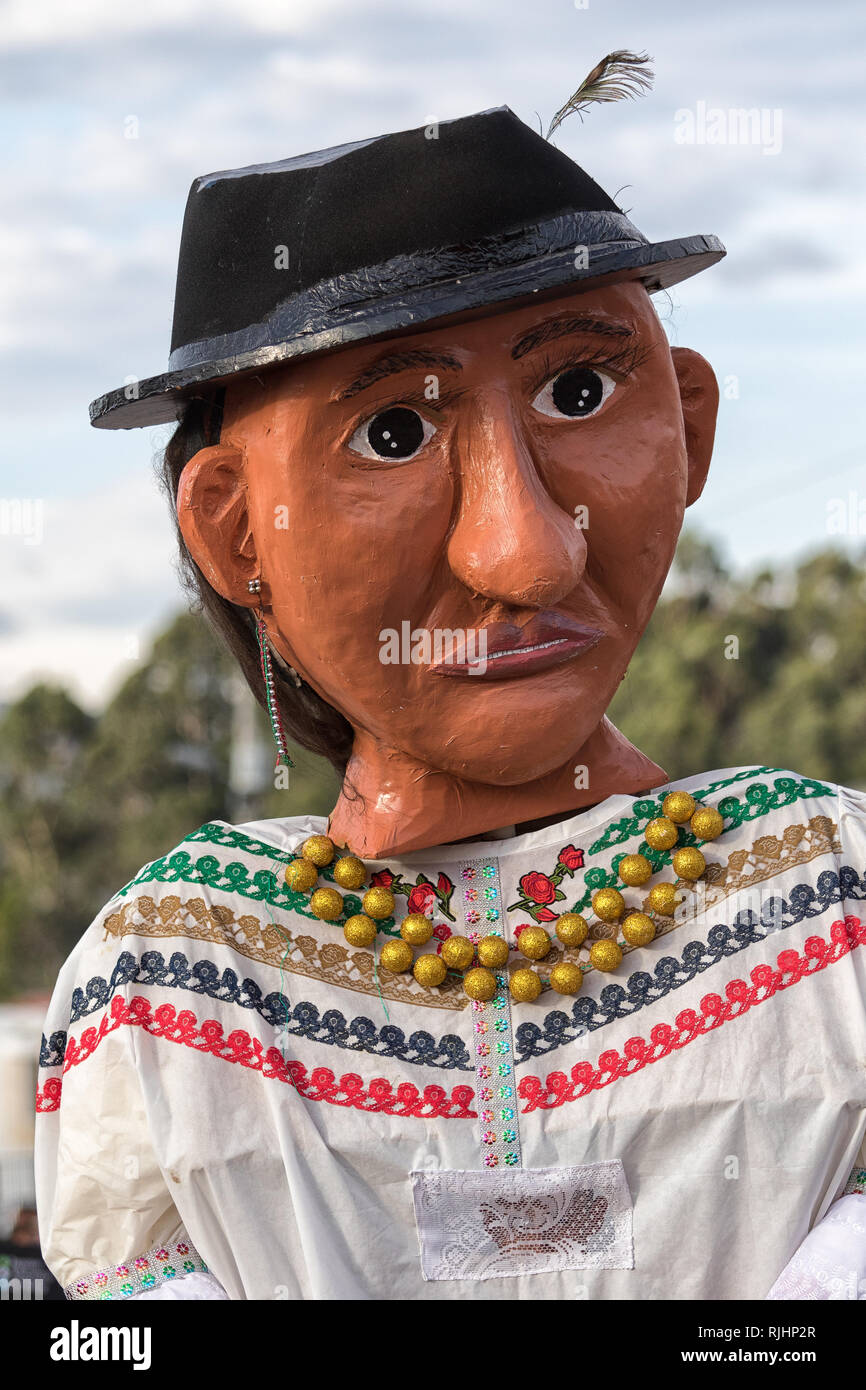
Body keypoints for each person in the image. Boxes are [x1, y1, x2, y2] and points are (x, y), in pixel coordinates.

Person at [35, 59, 866, 1301]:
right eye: (392, 434)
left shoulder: (823, 904)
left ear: (688, 426)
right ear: (234, 536)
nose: (524, 551)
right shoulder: (177, 982)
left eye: (577, 392)